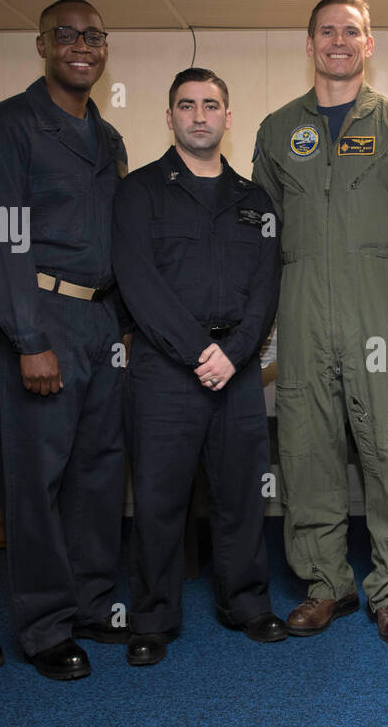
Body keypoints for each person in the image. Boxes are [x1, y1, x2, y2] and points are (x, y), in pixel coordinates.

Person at [251, 0, 388, 644]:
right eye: (327, 31)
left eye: (352, 32)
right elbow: (264, 224)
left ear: (369, 44)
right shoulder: (278, 129)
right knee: (307, 448)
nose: (339, 41)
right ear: (310, 45)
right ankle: (324, 584)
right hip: (303, 309)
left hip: (379, 313)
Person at [0, 0, 128, 681]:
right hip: (37, 318)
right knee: (36, 483)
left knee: (97, 475)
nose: (81, 46)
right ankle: (43, 626)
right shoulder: (6, 128)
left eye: (93, 36)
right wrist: (28, 337)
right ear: (42, 45)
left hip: (100, 322)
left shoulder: (108, 138)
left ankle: (90, 602)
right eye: (66, 35)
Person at [112, 68, 284, 665]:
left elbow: (266, 288)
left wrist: (233, 355)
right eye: (186, 105)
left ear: (228, 117)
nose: (200, 115)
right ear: (170, 117)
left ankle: (247, 604)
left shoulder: (255, 201)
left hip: (235, 371)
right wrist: (195, 353)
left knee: (241, 495)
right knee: (159, 499)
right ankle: (152, 618)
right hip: (164, 370)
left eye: (211, 105)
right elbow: (138, 283)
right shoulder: (139, 193)